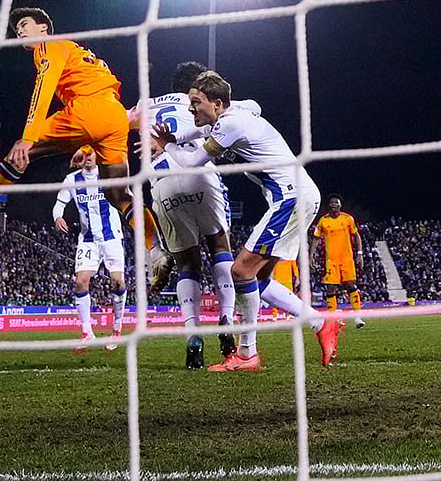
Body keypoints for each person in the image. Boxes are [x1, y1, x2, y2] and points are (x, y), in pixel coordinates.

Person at [0, 7, 168, 269]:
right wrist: (86, 143)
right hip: (114, 116)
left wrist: (28, 137)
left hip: (87, 110)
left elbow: (43, 89)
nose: (20, 31)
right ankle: (157, 249)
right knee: (119, 194)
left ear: (44, 29)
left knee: (19, 154)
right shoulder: (76, 50)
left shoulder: (47, 47)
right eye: (17, 29)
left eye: (25, 24)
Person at [151, 71, 338, 372]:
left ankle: (247, 355)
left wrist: (166, 145)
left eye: (196, 103)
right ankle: (320, 323)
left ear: (216, 103)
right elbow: (250, 108)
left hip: (290, 198)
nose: (190, 109)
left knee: (240, 270)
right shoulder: (239, 111)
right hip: (299, 196)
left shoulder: (231, 123)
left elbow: (189, 163)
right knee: (259, 281)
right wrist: (176, 137)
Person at [131, 61, 254, 367]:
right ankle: (226, 316)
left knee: (187, 263)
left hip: (162, 184)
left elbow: (115, 121)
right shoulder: (199, 103)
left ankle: (192, 337)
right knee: (219, 246)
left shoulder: (145, 106)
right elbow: (251, 107)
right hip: (200, 173)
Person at [52, 146, 127, 354]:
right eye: (83, 155)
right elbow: (59, 205)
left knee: (118, 281)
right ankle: (87, 333)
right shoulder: (72, 180)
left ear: (97, 155)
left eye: (90, 154)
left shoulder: (109, 175)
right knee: (80, 281)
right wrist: (58, 217)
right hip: (88, 240)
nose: (87, 158)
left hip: (112, 237)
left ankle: (117, 329)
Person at [310, 194, 365, 329]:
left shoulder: (348, 219)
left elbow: (356, 235)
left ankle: (357, 316)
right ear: (329, 205)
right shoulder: (323, 221)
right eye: (332, 203)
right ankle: (332, 318)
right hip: (331, 261)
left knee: (350, 286)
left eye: (336, 203)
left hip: (346, 259)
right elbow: (316, 239)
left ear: (340, 205)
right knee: (330, 288)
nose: (334, 205)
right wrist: (310, 255)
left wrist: (359, 253)